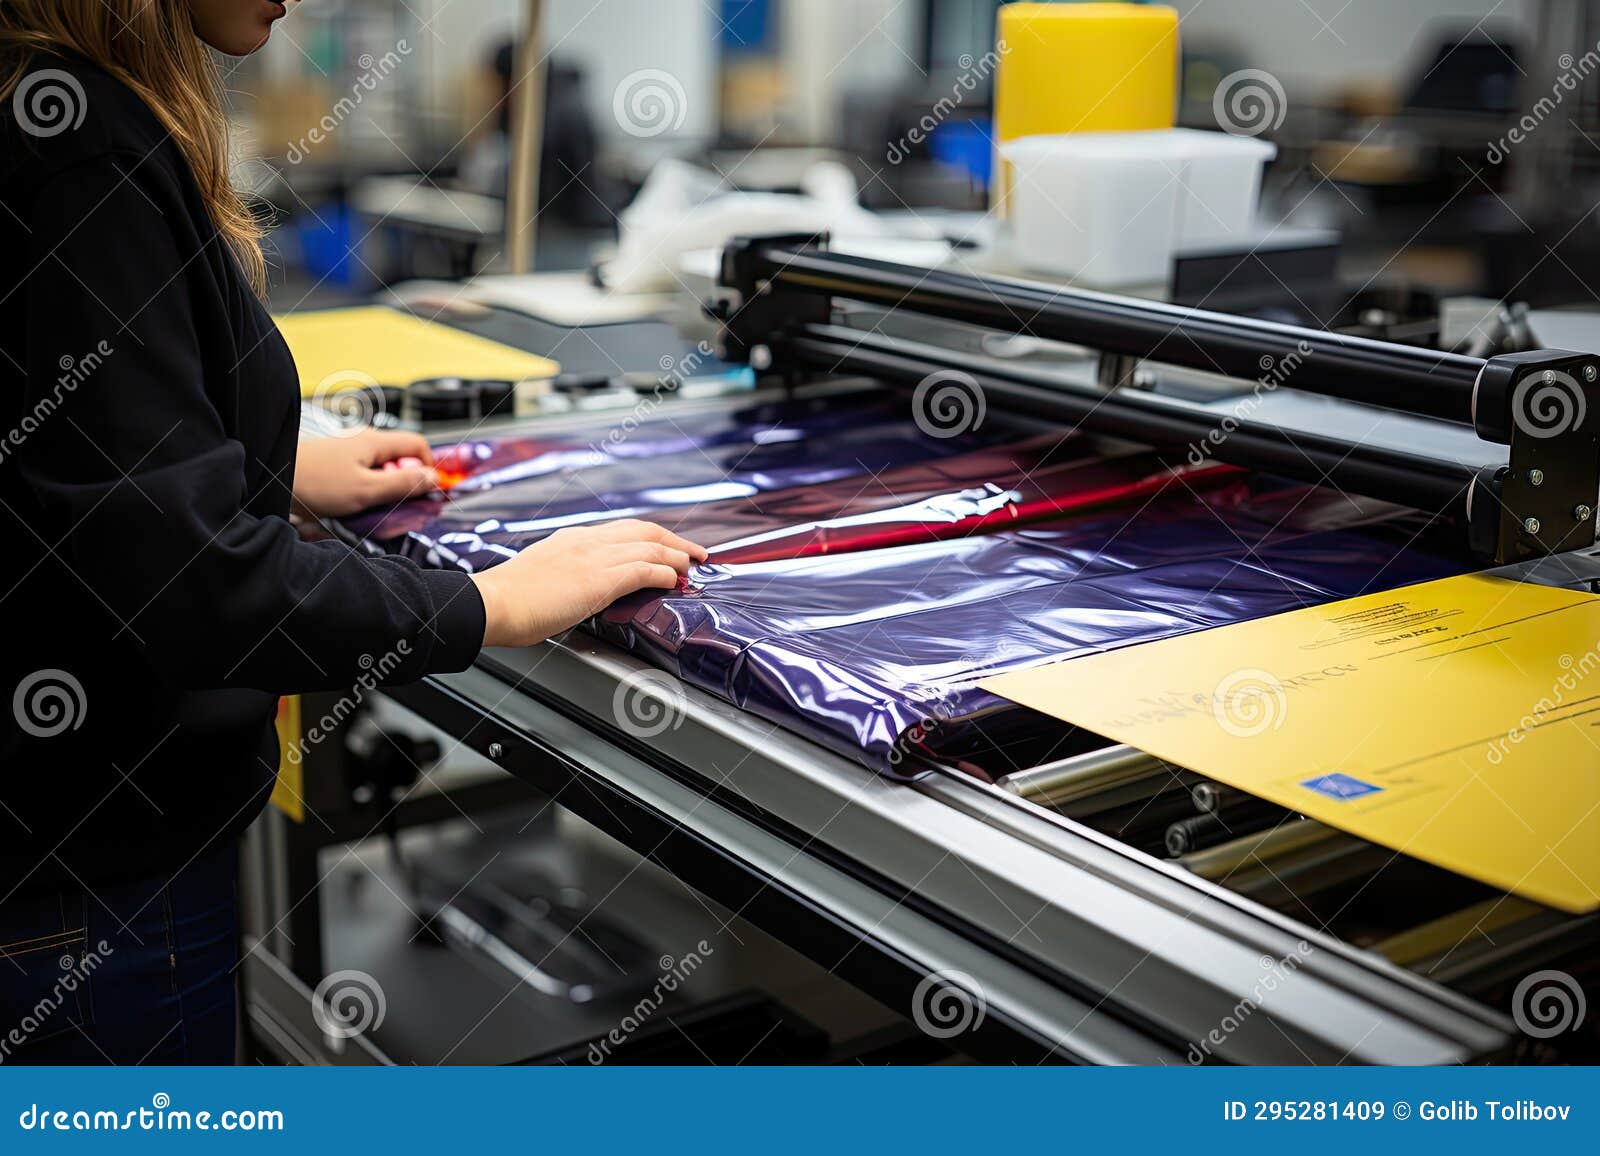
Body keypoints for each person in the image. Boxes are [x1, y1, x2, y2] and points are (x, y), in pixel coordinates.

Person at [0, 0, 705, 1064]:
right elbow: (191, 590)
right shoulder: (76, 147)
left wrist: (261, 469)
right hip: (84, 891)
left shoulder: (39, 104)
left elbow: (68, 466)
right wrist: (490, 603)